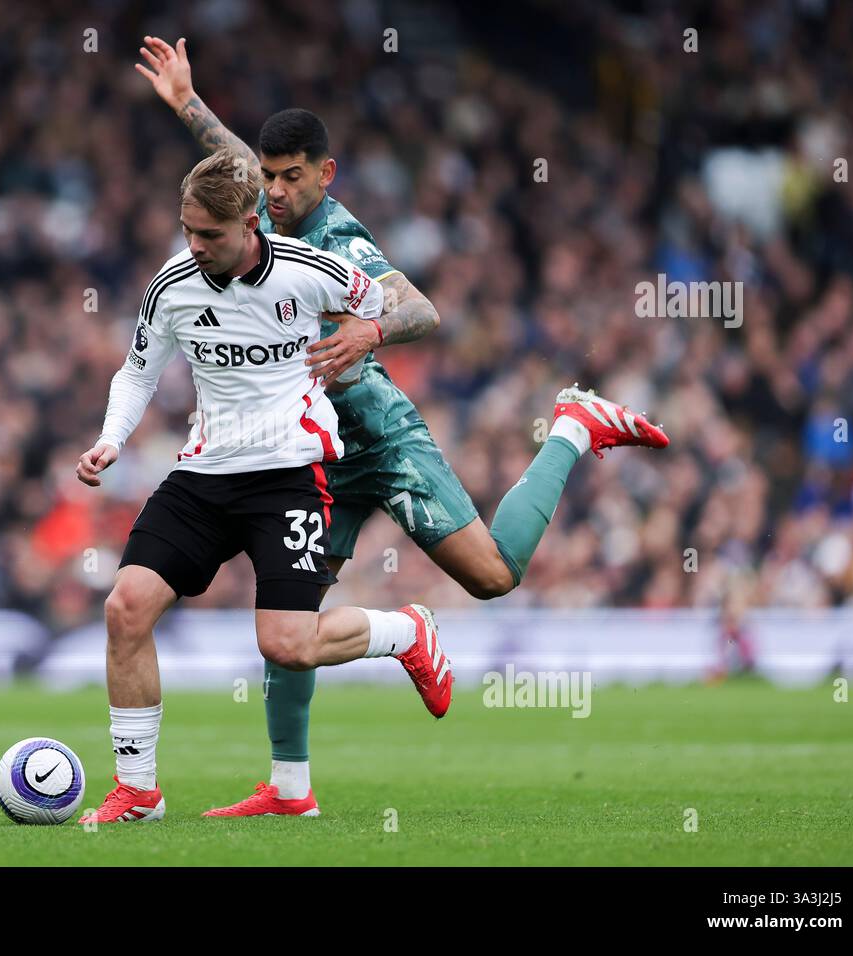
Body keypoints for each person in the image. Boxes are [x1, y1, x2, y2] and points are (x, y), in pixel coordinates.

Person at [137, 36, 671, 817]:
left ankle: (572, 427)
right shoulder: (253, 209)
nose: (277, 191)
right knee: (291, 621)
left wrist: (369, 332)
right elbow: (229, 157)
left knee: (492, 577)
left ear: (327, 174)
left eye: (293, 177)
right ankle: (290, 788)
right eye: (270, 176)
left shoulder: (339, 237)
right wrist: (186, 100)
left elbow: (421, 305)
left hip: (377, 436)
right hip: (307, 452)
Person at [73, 151, 454, 823]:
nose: (194, 245)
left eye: (209, 235)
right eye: (187, 230)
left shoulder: (312, 272)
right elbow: (137, 371)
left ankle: (405, 631)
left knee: (286, 644)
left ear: (251, 224)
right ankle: (138, 792)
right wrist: (111, 438)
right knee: (125, 608)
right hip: (203, 474)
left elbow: (400, 310)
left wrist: (370, 332)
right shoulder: (173, 283)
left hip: (288, 476)